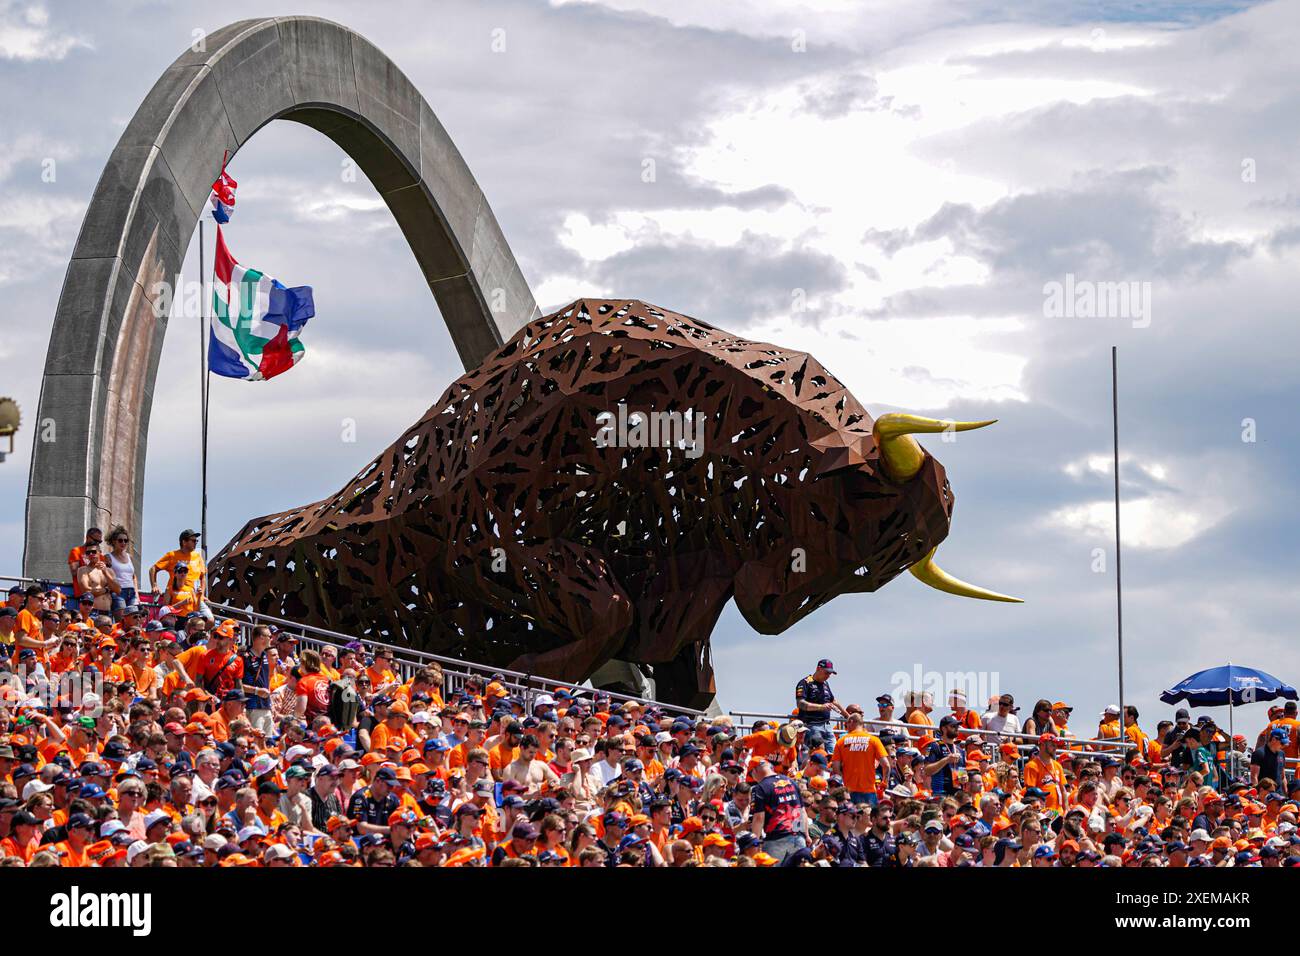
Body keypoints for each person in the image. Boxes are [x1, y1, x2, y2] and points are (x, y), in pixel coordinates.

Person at [748, 759, 806, 863]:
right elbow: (802, 811)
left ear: (755, 771)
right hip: (799, 837)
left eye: (751, 774)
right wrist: (806, 835)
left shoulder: (760, 788)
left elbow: (758, 818)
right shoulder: (791, 782)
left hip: (777, 840)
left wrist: (754, 843)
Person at [149, 529, 211, 621]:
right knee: (168, 621)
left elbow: (202, 577)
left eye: (196, 541)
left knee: (209, 620)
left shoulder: (198, 556)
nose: (196, 543)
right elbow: (153, 569)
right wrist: (154, 585)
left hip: (193, 597)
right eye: (193, 540)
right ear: (184, 542)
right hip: (175, 595)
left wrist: (201, 595)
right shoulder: (172, 555)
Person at [831, 712, 890, 806]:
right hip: (869, 791)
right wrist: (884, 783)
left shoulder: (841, 741)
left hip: (849, 791)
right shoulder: (874, 740)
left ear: (851, 722)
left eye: (847, 724)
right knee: (869, 819)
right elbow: (886, 765)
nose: (847, 727)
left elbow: (835, 767)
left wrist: (844, 779)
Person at [795, 659, 847, 754]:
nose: (828, 676)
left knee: (834, 754)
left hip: (827, 725)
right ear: (818, 669)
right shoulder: (805, 683)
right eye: (826, 673)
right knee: (818, 753)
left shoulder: (825, 684)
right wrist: (821, 707)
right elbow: (800, 703)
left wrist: (847, 715)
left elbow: (833, 700)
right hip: (811, 725)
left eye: (830, 674)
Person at [104, 526, 138, 616]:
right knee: (122, 621)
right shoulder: (108, 557)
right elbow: (106, 576)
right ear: (114, 541)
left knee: (133, 620)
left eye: (125, 540)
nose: (123, 543)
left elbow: (134, 577)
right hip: (118, 592)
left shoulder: (129, 556)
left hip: (132, 592)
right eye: (120, 540)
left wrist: (137, 594)